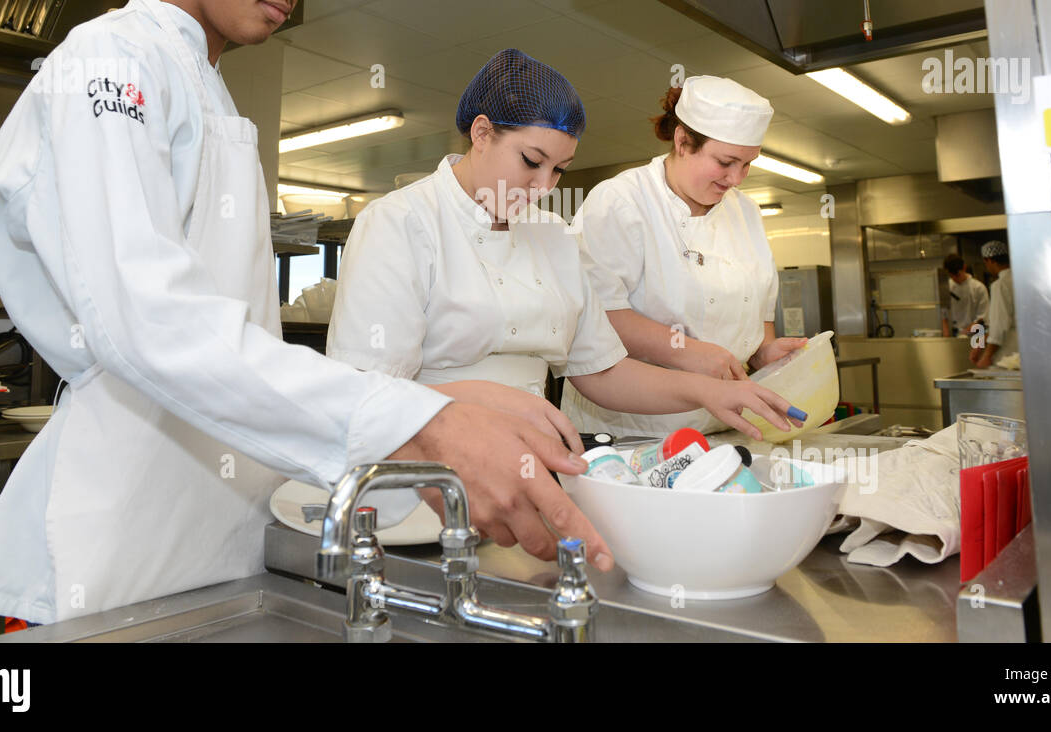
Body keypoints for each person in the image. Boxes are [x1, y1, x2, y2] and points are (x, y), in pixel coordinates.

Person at [0, 0, 608, 626]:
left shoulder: (212, 97)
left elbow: (240, 351)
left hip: (220, 539)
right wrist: (420, 424)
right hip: (115, 549)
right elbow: (147, 321)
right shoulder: (110, 64)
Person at [327, 51, 803, 496]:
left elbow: (602, 371)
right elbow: (367, 390)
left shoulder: (551, 235)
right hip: (424, 473)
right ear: (481, 133)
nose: (542, 187)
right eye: (531, 162)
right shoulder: (400, 223)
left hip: (533, 463)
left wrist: (709, 392)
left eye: (559, 170)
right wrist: (499, 399)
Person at [560, 77, 809, 437]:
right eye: (726, 162)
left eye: (747, 164)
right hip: (633, 430)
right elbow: (599, 317)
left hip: (723, 426)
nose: (737, 178)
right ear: (682, 142)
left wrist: (762, 353)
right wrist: (689, 351)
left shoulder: (747, 213)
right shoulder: (621, 202)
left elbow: (758, 315)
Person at [971, 240, 1018, 368]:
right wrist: (979, 344)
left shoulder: (1000, 285)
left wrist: (986, 355)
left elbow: (999, 325)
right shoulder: (1020, 279)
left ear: (990, 260)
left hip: (1009, 355)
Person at [942, 253, 989, 338]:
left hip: (976, 336)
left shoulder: (978, 288)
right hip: (954, 336)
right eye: (951, 276)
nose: (955, 278)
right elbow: (943, 315)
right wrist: (947, 337)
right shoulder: (946, 288)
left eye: (957, 275)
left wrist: (964, 333)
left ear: (964, 267)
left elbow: (982, 318)